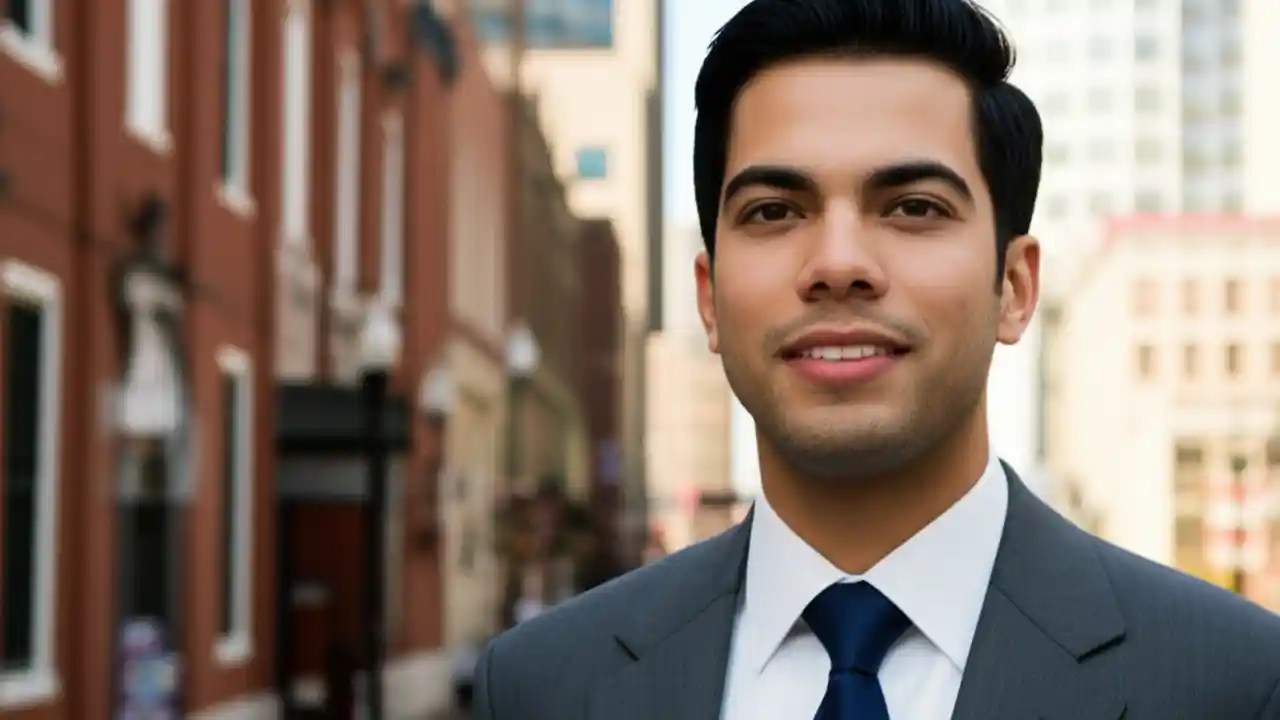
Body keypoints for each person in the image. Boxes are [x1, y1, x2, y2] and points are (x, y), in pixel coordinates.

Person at [472, 0, 1280, 717]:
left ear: (1014, 286)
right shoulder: (544, 684)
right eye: (775, 210)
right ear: (710, 297)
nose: (838, 262)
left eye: (914, 207)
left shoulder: (1235, 682)